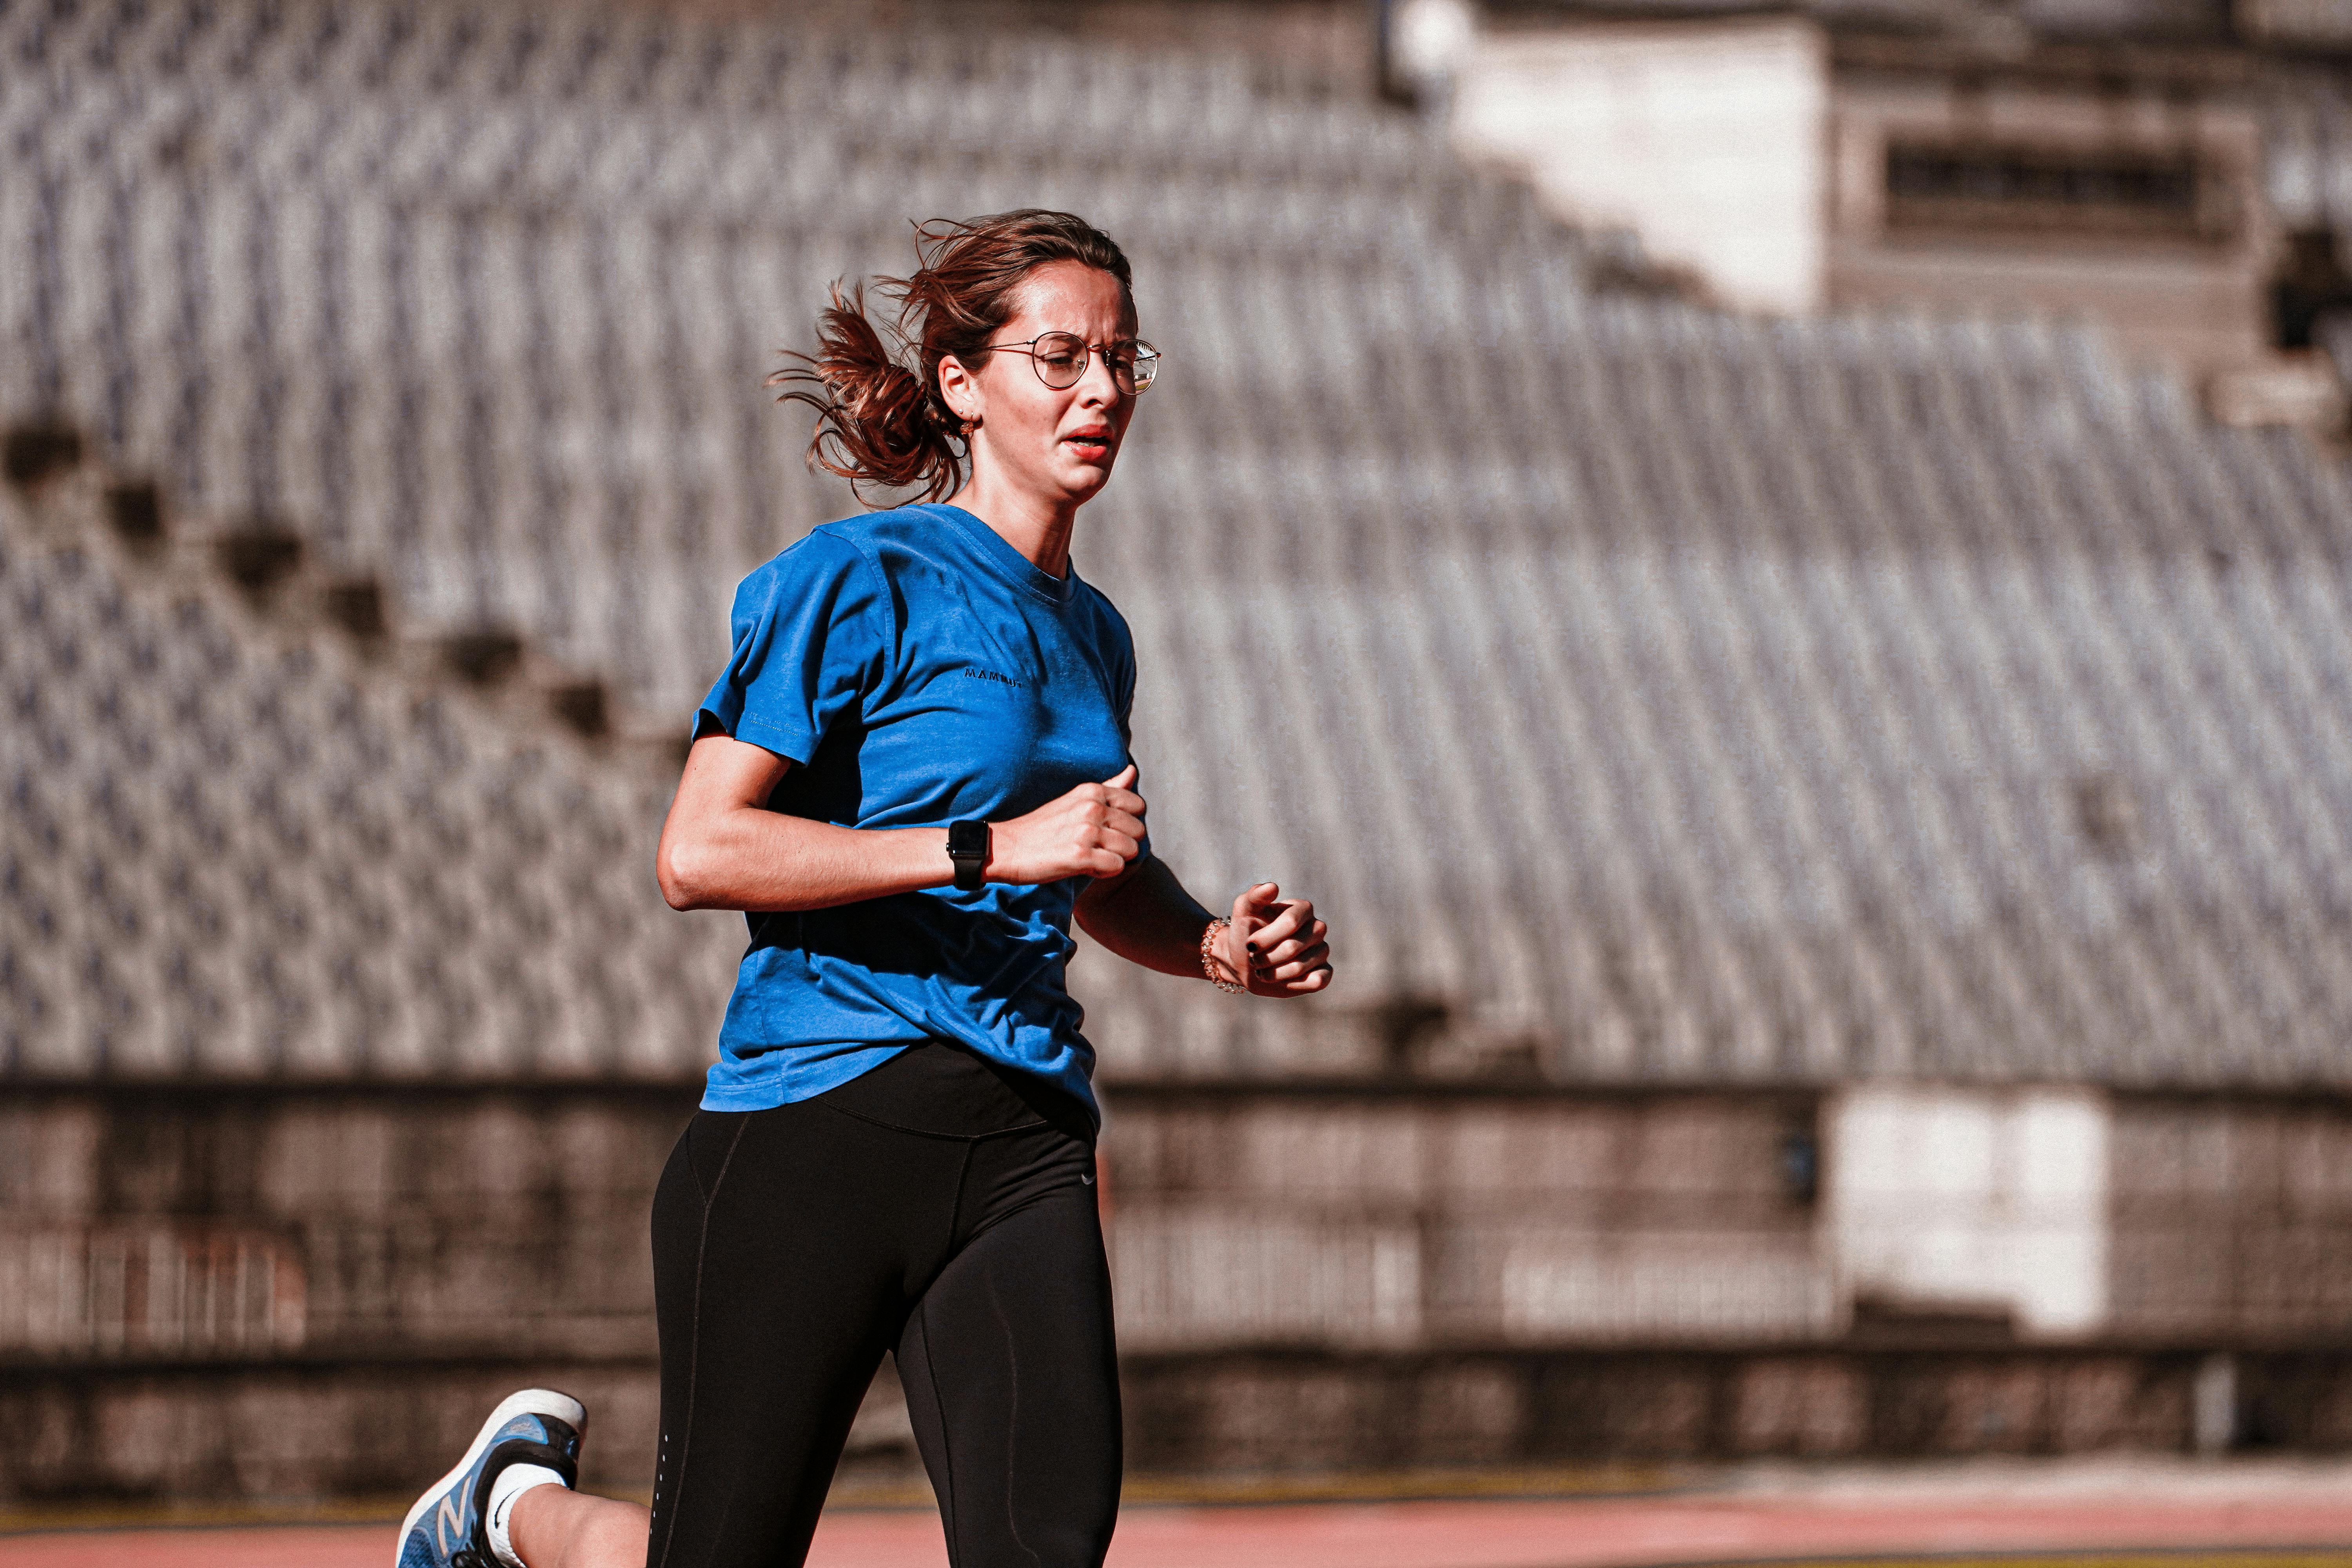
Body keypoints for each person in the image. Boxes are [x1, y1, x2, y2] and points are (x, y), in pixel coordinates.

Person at [396, 209, 1335, 1568]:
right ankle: (508, 1513)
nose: (1100, 391)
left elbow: (1095, 870)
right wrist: (985, 847)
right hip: (815, 1126)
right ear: (962, 383)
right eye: (1059, 356)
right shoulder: (856, 579)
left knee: (1047, 1547)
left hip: (1021, 1138)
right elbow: (698, 854)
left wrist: (1214, 948)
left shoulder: (1097, 631)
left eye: (1123, 360)